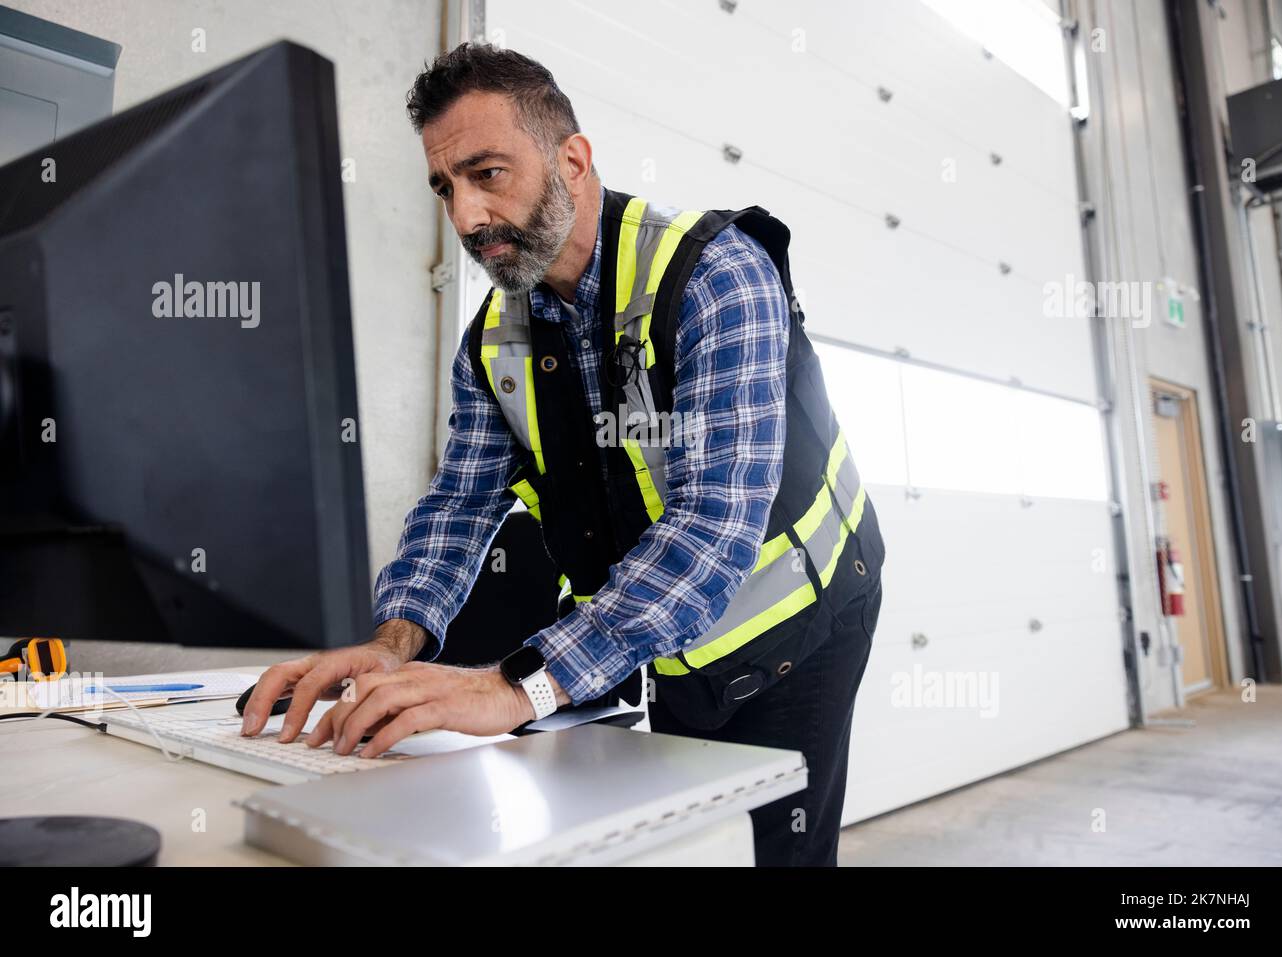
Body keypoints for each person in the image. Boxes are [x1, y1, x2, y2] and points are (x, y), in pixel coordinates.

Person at [242, 42, 885, 866]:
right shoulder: (493, 343)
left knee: (777, 850)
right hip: (671, 631)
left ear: (573, 160)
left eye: (487, 173)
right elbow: (460, 504)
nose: (467, 217)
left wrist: (517, 686)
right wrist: (392, 639)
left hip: (805, 615)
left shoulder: (716, 275)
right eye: (446, 187)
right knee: (702, 841)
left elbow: (714, 525)